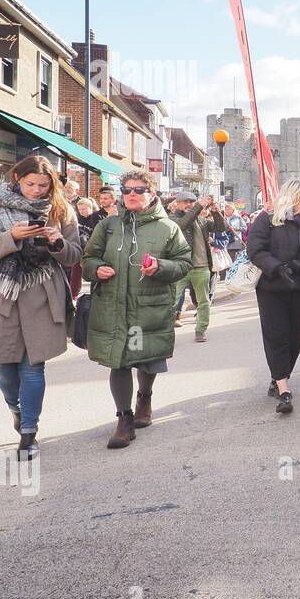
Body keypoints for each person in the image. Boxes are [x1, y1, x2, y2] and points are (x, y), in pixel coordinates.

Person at [0, 155, 82, 459]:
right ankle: (16, 408)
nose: (37, 190)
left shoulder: (61, 209)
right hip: (3, 292)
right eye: (31, 183)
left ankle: (29, 433)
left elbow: (73, 255)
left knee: (33, 366)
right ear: (17, 178)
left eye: (44, 185)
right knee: (3, 367)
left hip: (44, 293)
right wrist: (11, 237)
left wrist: (57, 242)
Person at [82, 169, 192, 449]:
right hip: (113, 305)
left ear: (151, 194)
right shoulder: (108, 226)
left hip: (147, 306)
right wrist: (97, 269)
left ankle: (145, 397)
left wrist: (161, 266)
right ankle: (124, 419)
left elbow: (183, 263)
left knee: (145, 358)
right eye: (127, 190)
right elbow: (88, 259)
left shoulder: (168, 228)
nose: (131, 194)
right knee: (118, 360)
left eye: (138, 190)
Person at [246, 179, 300, 416]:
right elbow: (255, 250)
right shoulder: (268, 220)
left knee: (294, 338)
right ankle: (283, 389)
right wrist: (277, 267)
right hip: (272, 287)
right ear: (292, 198)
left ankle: (279, 375)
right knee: (276, 335)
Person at [168, 190, 226, 343]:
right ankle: (166, 331)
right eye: (185, 202)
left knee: (203, 301)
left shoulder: (201, 220)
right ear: (177, 204)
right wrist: (199, 206)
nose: (189, 205)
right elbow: (183, 224)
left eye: (191, 202)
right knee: (172, 301)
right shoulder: (172, 219)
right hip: (181, 266)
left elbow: (221, 228)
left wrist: (215, 211)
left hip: (201, 267)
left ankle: (200, 329)